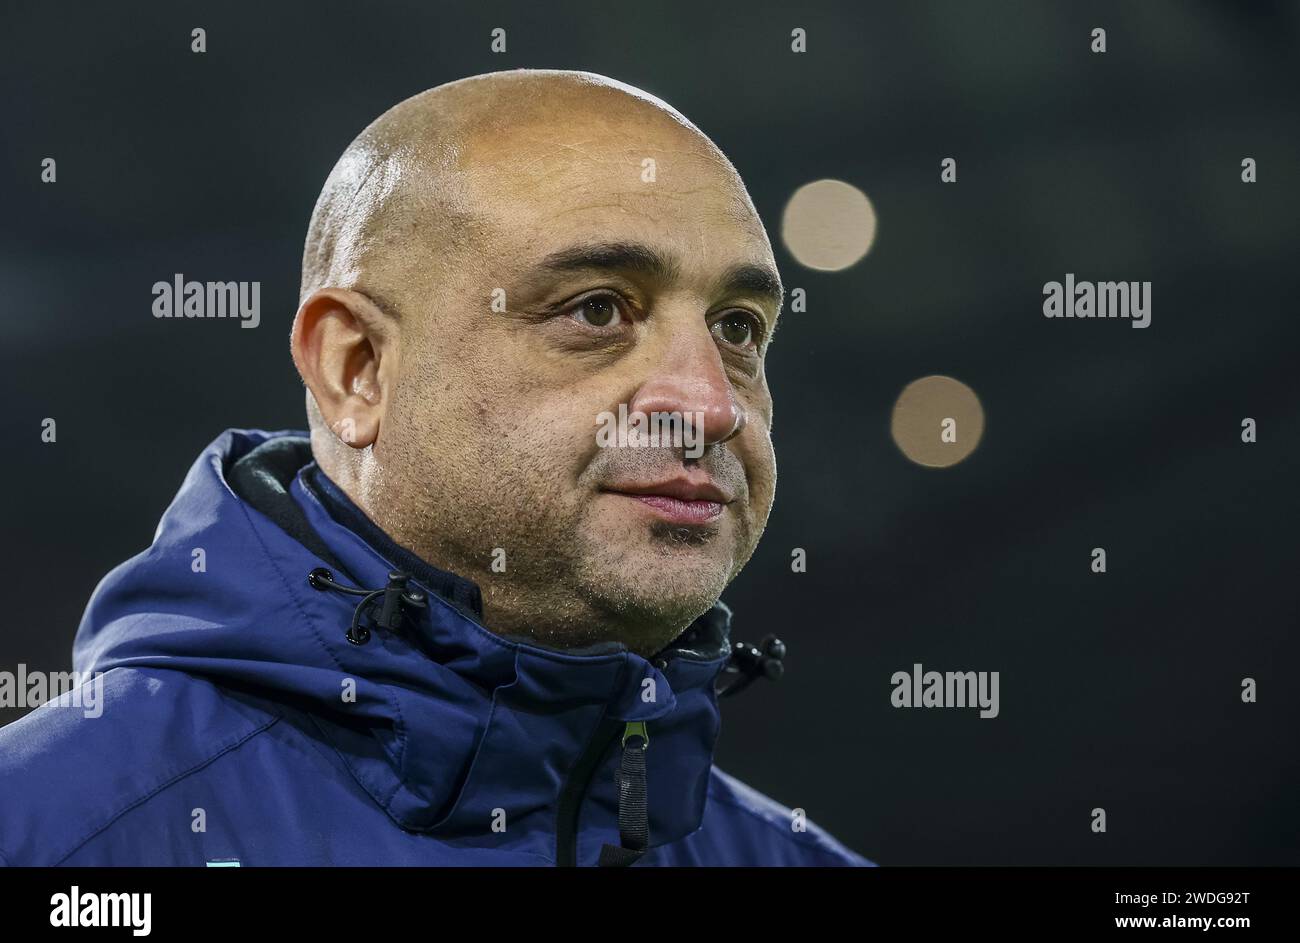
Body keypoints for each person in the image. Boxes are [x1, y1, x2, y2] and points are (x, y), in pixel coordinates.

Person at [0, 70, 869, 866]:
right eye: (597, 309)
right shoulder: (56, 836)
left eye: (738, 328)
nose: (713, 407)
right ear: (358, 369)